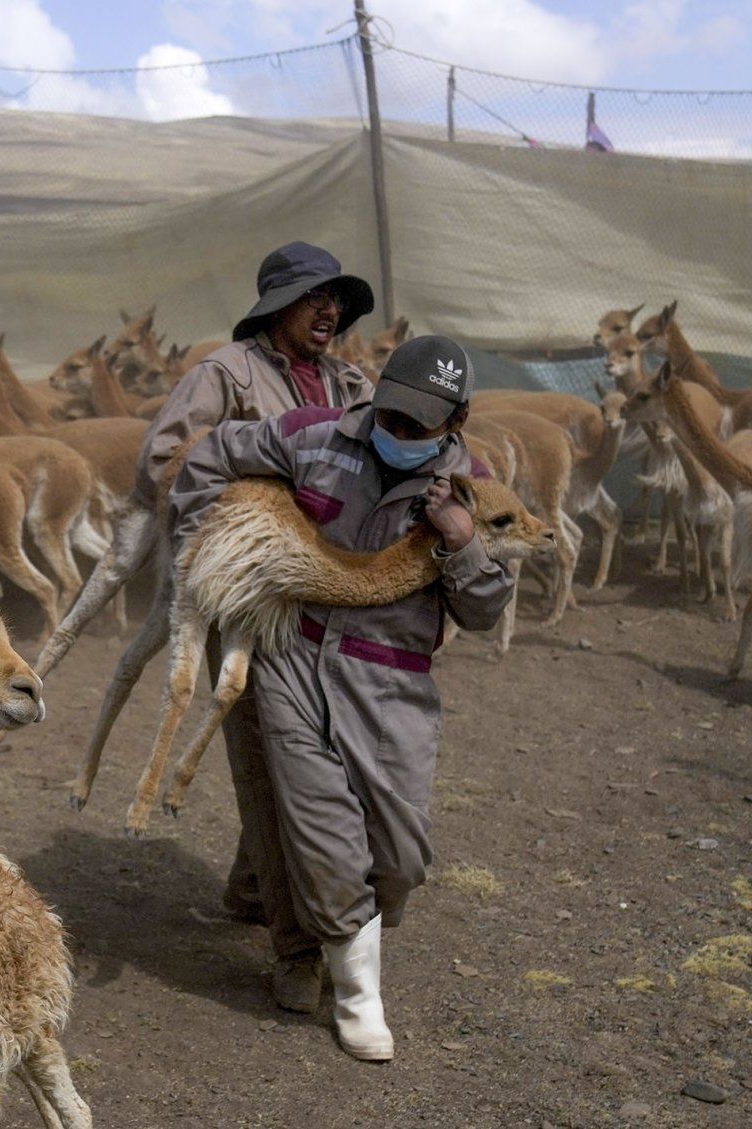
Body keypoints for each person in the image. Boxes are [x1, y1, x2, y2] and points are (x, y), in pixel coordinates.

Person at [166, 334, 515, 1061]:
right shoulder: (313, 437)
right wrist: (207, 546)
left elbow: (484, 610)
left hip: (389, 679)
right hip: (292, 653)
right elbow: (212, 455)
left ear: (456, 421)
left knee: (400, 855)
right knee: (318, 827)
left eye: (419, 424)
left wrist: (460, 541)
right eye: (391, 414)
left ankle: (340, 939)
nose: (399, 431)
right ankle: (355, 995)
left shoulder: (471, 486)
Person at [136, 242, 374, 1014]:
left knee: (327, 752)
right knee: (268, 761)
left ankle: (250, 884)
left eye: (336, 298)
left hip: (334, 592)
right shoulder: (225, 374)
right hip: (254, 602)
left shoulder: (350, 383)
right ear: (277, 306)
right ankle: (296, 948)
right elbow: (165, 462)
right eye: (314, 296)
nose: (329, 310)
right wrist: (255, 512)